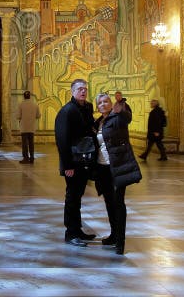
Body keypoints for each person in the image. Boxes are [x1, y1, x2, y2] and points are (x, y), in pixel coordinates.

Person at [94, 93, 142, 255]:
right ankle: (114, 234)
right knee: (109, 202)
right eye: (100, 102)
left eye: (106, 101)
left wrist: (121, 104)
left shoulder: (118, 118)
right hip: (102, 168)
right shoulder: (98, 122)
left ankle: (120, 241)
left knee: (118, 203)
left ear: (111, 103)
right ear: (97, 107)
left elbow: (126, 117)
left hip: (117, 167)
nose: (103, 104)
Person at [54, 78, 95, 247]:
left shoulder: (87, 108)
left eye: (85, 89)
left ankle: (77, 230)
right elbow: (62, 140)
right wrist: (67, 166)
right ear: (72, 92)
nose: (83, 91)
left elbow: (89, 128)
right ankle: (70, 233)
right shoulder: (67, 111)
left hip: (84, 159)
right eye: (79, 89)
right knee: (72, 197)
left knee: (78, 197)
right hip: (72, 161)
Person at [16, 90, 40, 164]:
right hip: (32, 126)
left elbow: (18, 116)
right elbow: (38, 115)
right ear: (30, 96)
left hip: (24, 127)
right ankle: (32, 157)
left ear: (24, 96)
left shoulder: (21, 104)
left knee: (24, 144)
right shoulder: (35, 105)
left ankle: (26, 158)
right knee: (31, 143)